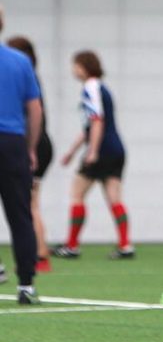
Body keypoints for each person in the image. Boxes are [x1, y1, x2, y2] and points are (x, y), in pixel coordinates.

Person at [51, 51, 135, 260]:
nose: (73, 70)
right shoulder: (102, 88)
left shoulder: (90, 87)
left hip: (103, 150)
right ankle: (125, 245)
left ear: (83, 67)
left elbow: (96, 121)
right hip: (116, 149)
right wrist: (72, 151)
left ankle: (72, 245)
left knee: (77, 193)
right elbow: (89, 127)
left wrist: (92, 151)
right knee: (115, 197)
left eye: (75, 65)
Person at [0, 5, 43, 304]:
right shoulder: (21, 61)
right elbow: (35, 109)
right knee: (20, 214)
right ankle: (26, 283)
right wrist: (30, 146)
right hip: (13, 142)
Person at [6, 36, 54, 272]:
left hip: (28, 143)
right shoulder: (25, 71)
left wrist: (30, 147)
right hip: (26, 144)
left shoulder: (20, 70)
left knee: (30, 204)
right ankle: (35, 263)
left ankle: (41, 254)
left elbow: (35, 112)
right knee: (27, 205)